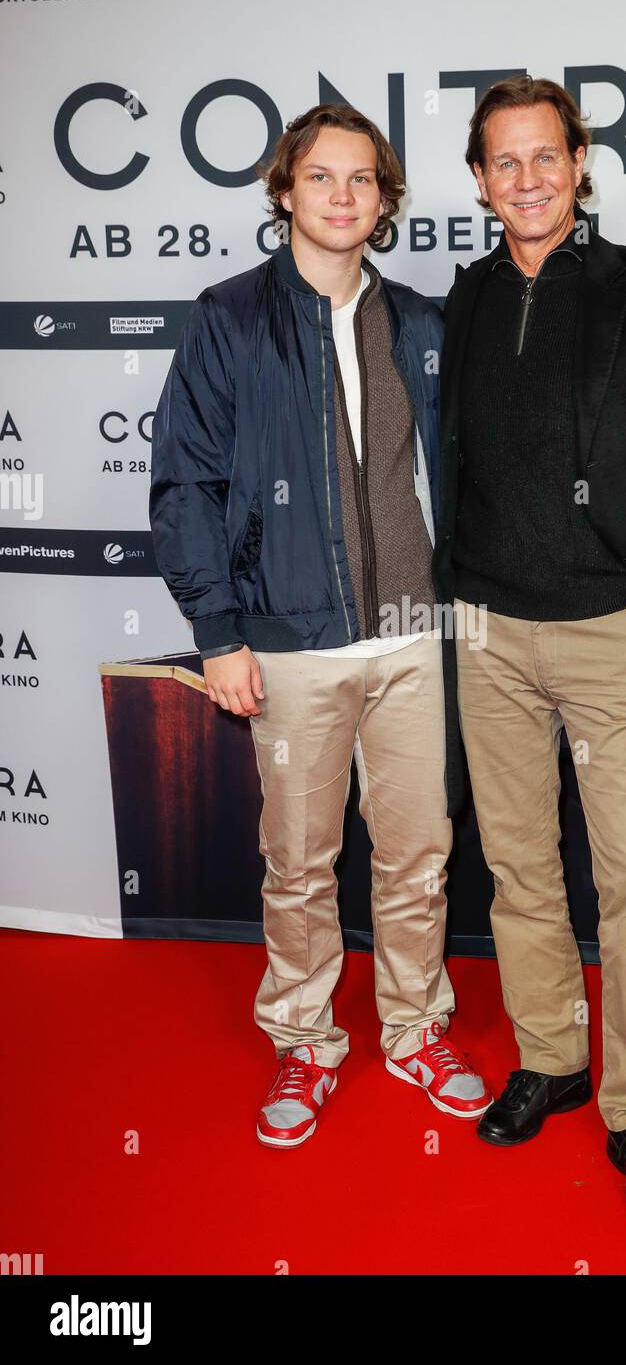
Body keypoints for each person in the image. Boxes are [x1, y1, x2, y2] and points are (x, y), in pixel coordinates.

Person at [150, 102, 491, 1149]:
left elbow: (467, 474)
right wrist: (217, 632)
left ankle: (415, 1025)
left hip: (406, 639)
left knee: (417, 851)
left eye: (361, 181)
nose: (342, 196)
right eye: (321, 178)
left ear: (383, 202)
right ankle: (303, 1039)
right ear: (285, 192)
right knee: (299, 859)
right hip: (287, 643)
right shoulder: (227, 319)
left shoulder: (423, 325)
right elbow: (184, 484)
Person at [433, 75, 626, 1228]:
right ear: (478, 179)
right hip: (492, 633)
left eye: (544, 157)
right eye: (502, 162)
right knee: (518, 870)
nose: (525, 179)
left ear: (578, 164)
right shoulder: (462, 299)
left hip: (618, 633)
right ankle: (551, 1056)